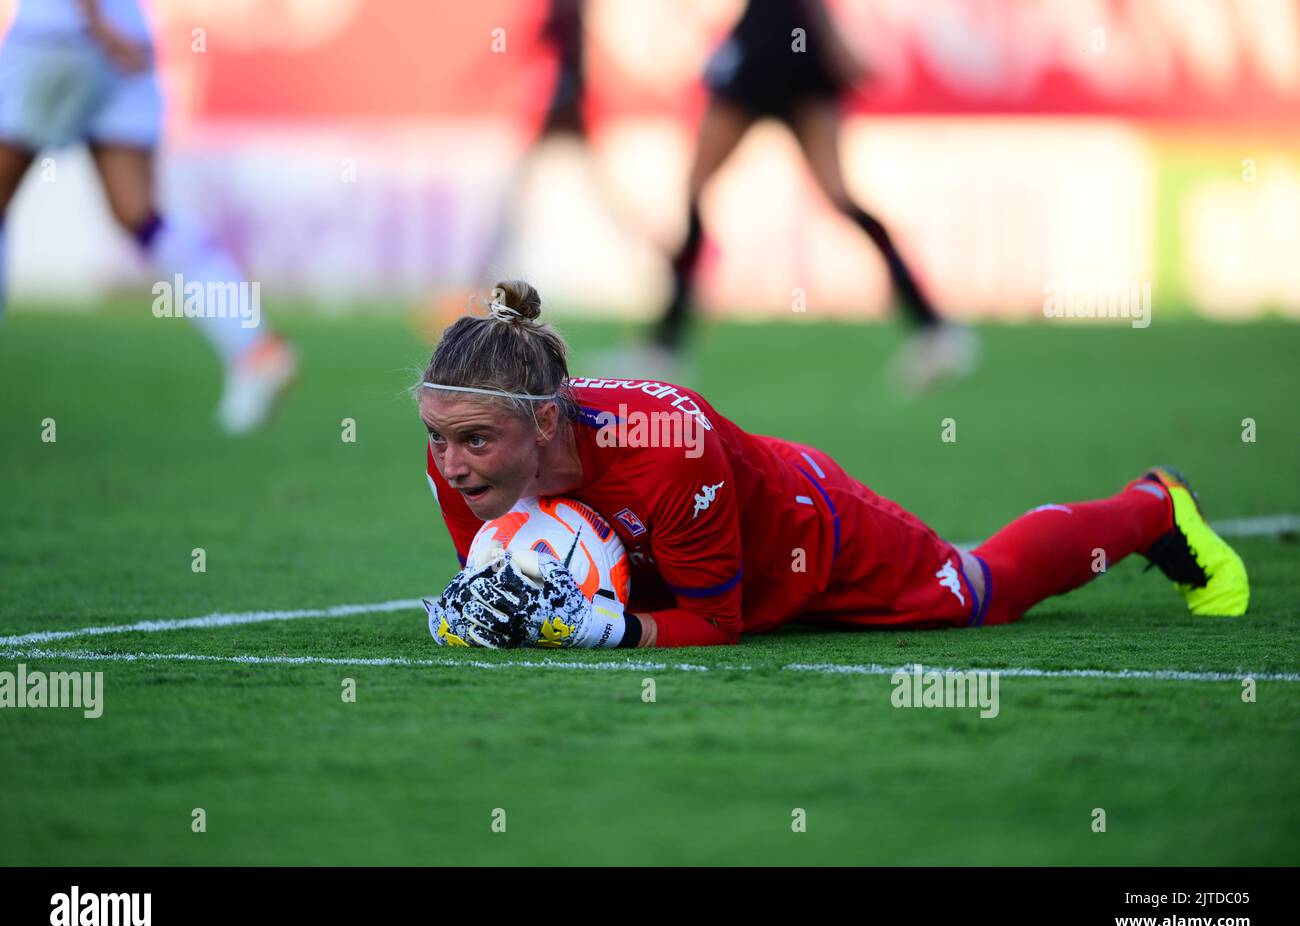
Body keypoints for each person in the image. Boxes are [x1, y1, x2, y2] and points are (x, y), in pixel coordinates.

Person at [419, 280, 1247, 649]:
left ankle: (1153, 507)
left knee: (977, 595)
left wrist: (608, 631)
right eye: (437, 437)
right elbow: (506, 575)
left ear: (548, 419)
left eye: (475, 441)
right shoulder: (463, 460)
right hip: (671, 557)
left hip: (810, 536)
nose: (451, 465)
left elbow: (717, 626)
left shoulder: (664, 447)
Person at [621, 0, 975, 390]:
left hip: (768, 48)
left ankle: (665, 347)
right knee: (838, 196)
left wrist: (835, 42)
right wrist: (834, 43)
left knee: (697, 188)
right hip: (799, 52)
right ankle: (934, 329)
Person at [0, 0, 296, 433]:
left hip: (60, 33)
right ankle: (254, 347)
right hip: (128, 40)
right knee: (141, 216)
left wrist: (96, 23)